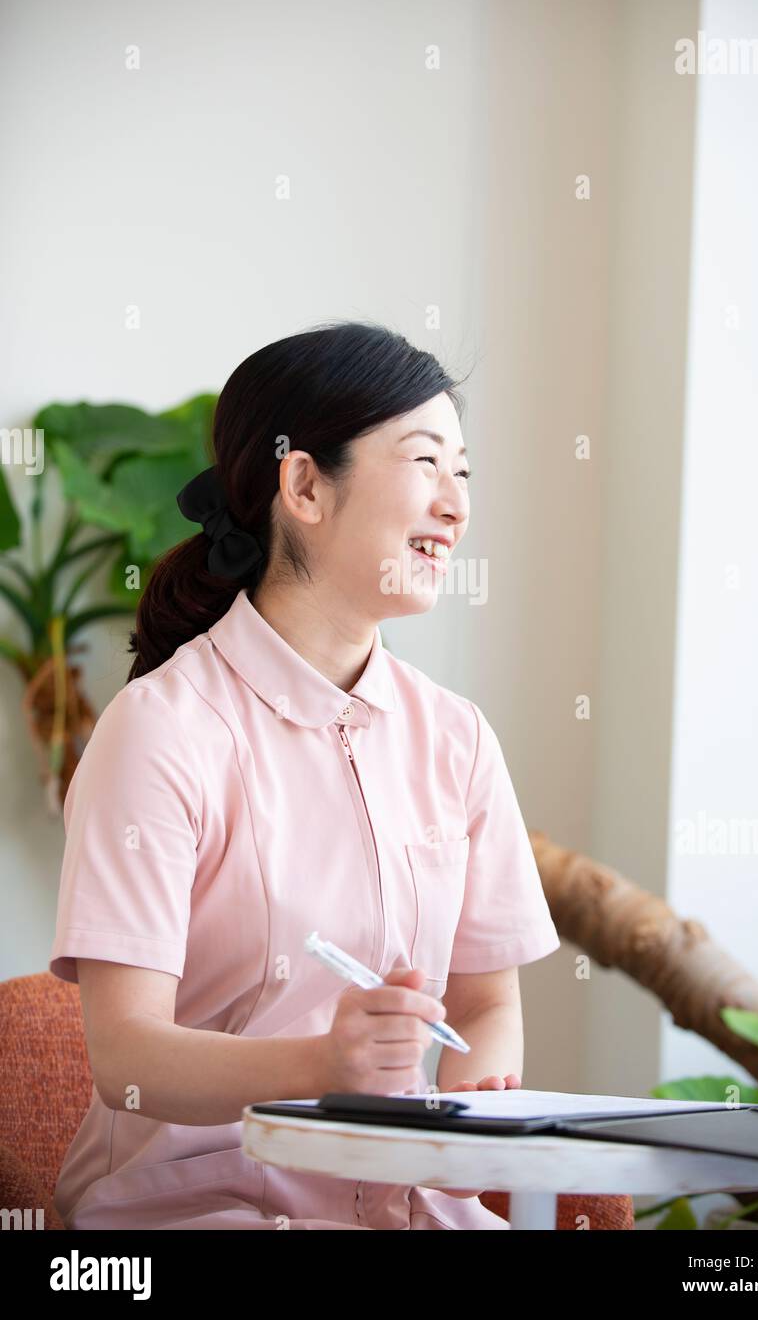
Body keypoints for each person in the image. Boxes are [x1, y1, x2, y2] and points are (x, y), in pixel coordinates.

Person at [49, 321, 561, 1229]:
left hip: (407, 1208)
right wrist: (322, 1063)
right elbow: (126, 1061)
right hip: (204, 1207)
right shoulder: (161, 730)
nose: (455, 504)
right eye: (424, 463)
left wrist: (474, 1091)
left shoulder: (457, 737)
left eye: (464, 472)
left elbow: (486, 1002)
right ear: (303, 486)